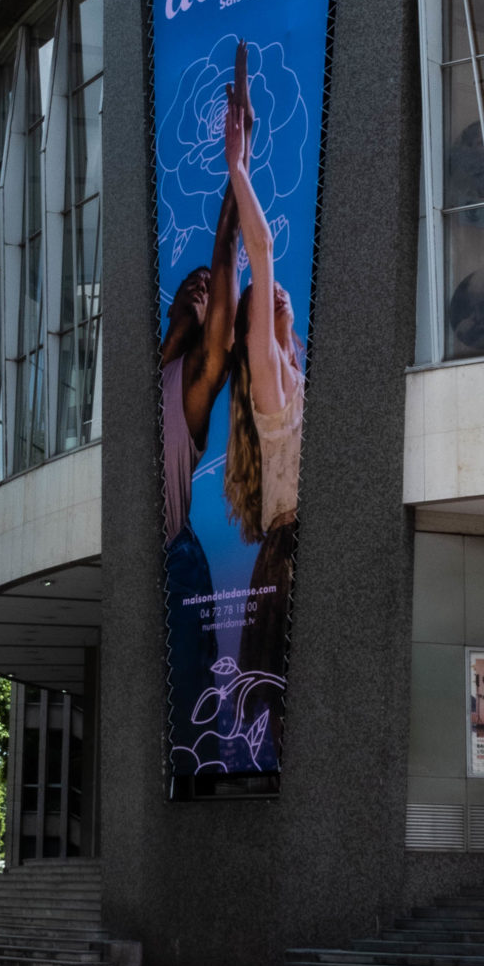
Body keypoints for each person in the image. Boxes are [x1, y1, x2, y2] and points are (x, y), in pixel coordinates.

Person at [158, 64, 246, 748]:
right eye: (187, 290)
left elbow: (221, 268)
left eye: (206, 292)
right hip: (142, 556)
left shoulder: (189, 386)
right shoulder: (143, 384)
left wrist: (231, 180)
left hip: (172, 557)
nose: (200, 292)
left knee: (192, 719)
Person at [223, 48, 305, 751]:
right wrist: (239, 168)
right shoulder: (271, 379)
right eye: (260, 303)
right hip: (293, 555)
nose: (275, 295)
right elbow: (263, 245)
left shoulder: (294, 380)